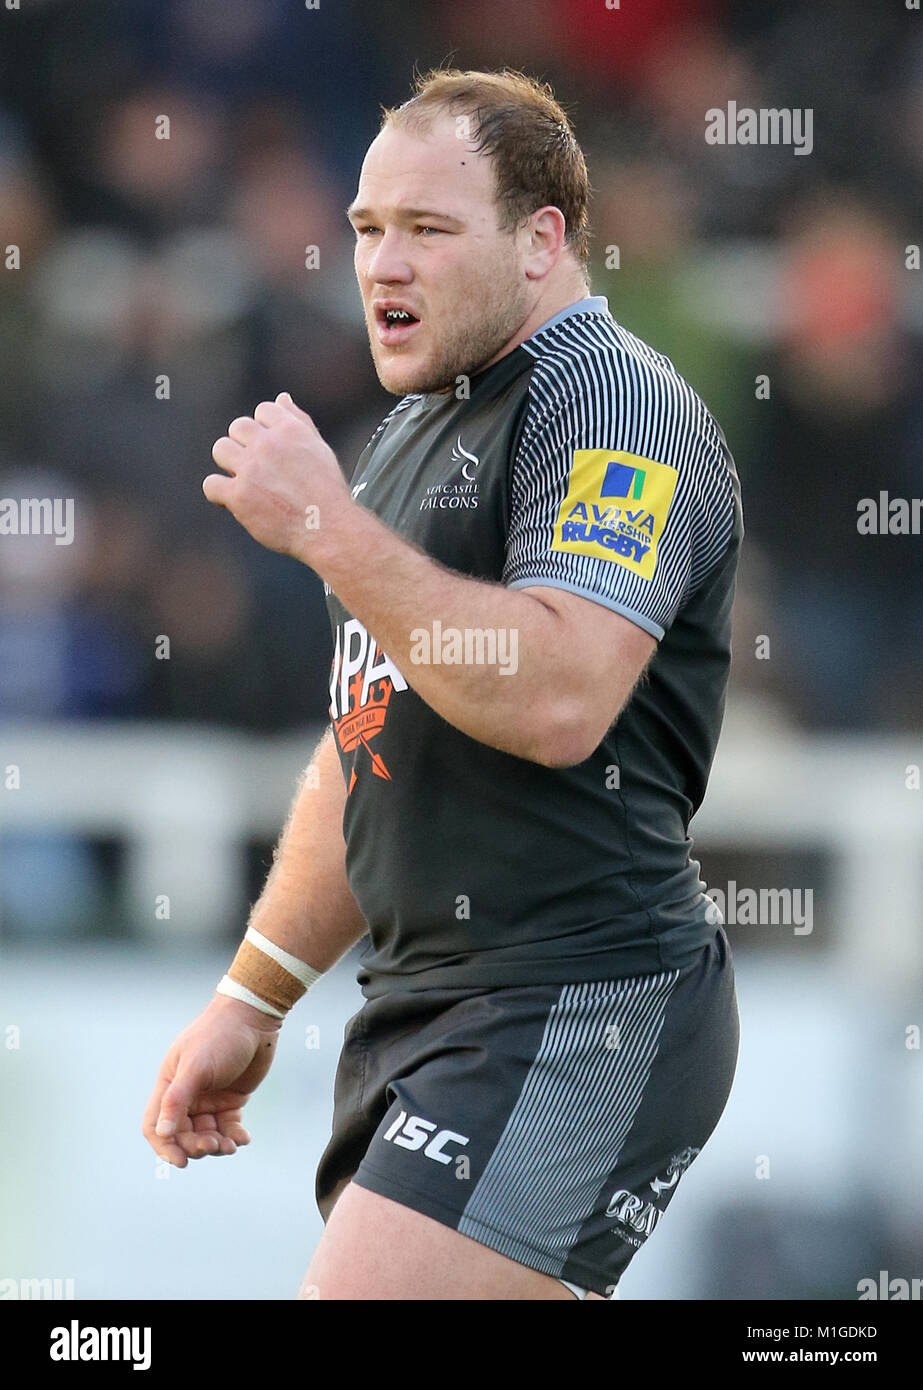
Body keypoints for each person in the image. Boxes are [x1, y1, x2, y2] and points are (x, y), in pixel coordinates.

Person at [142, 68, 742, 1301]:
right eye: (367, 228)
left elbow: (561, 694)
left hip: (581, 997)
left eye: (427, 228)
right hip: (434, 1009)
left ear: (542, 242)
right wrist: (252, 994)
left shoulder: (612, 402)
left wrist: (328, 530)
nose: (381, 264)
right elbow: (368, 741)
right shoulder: (412, 432)